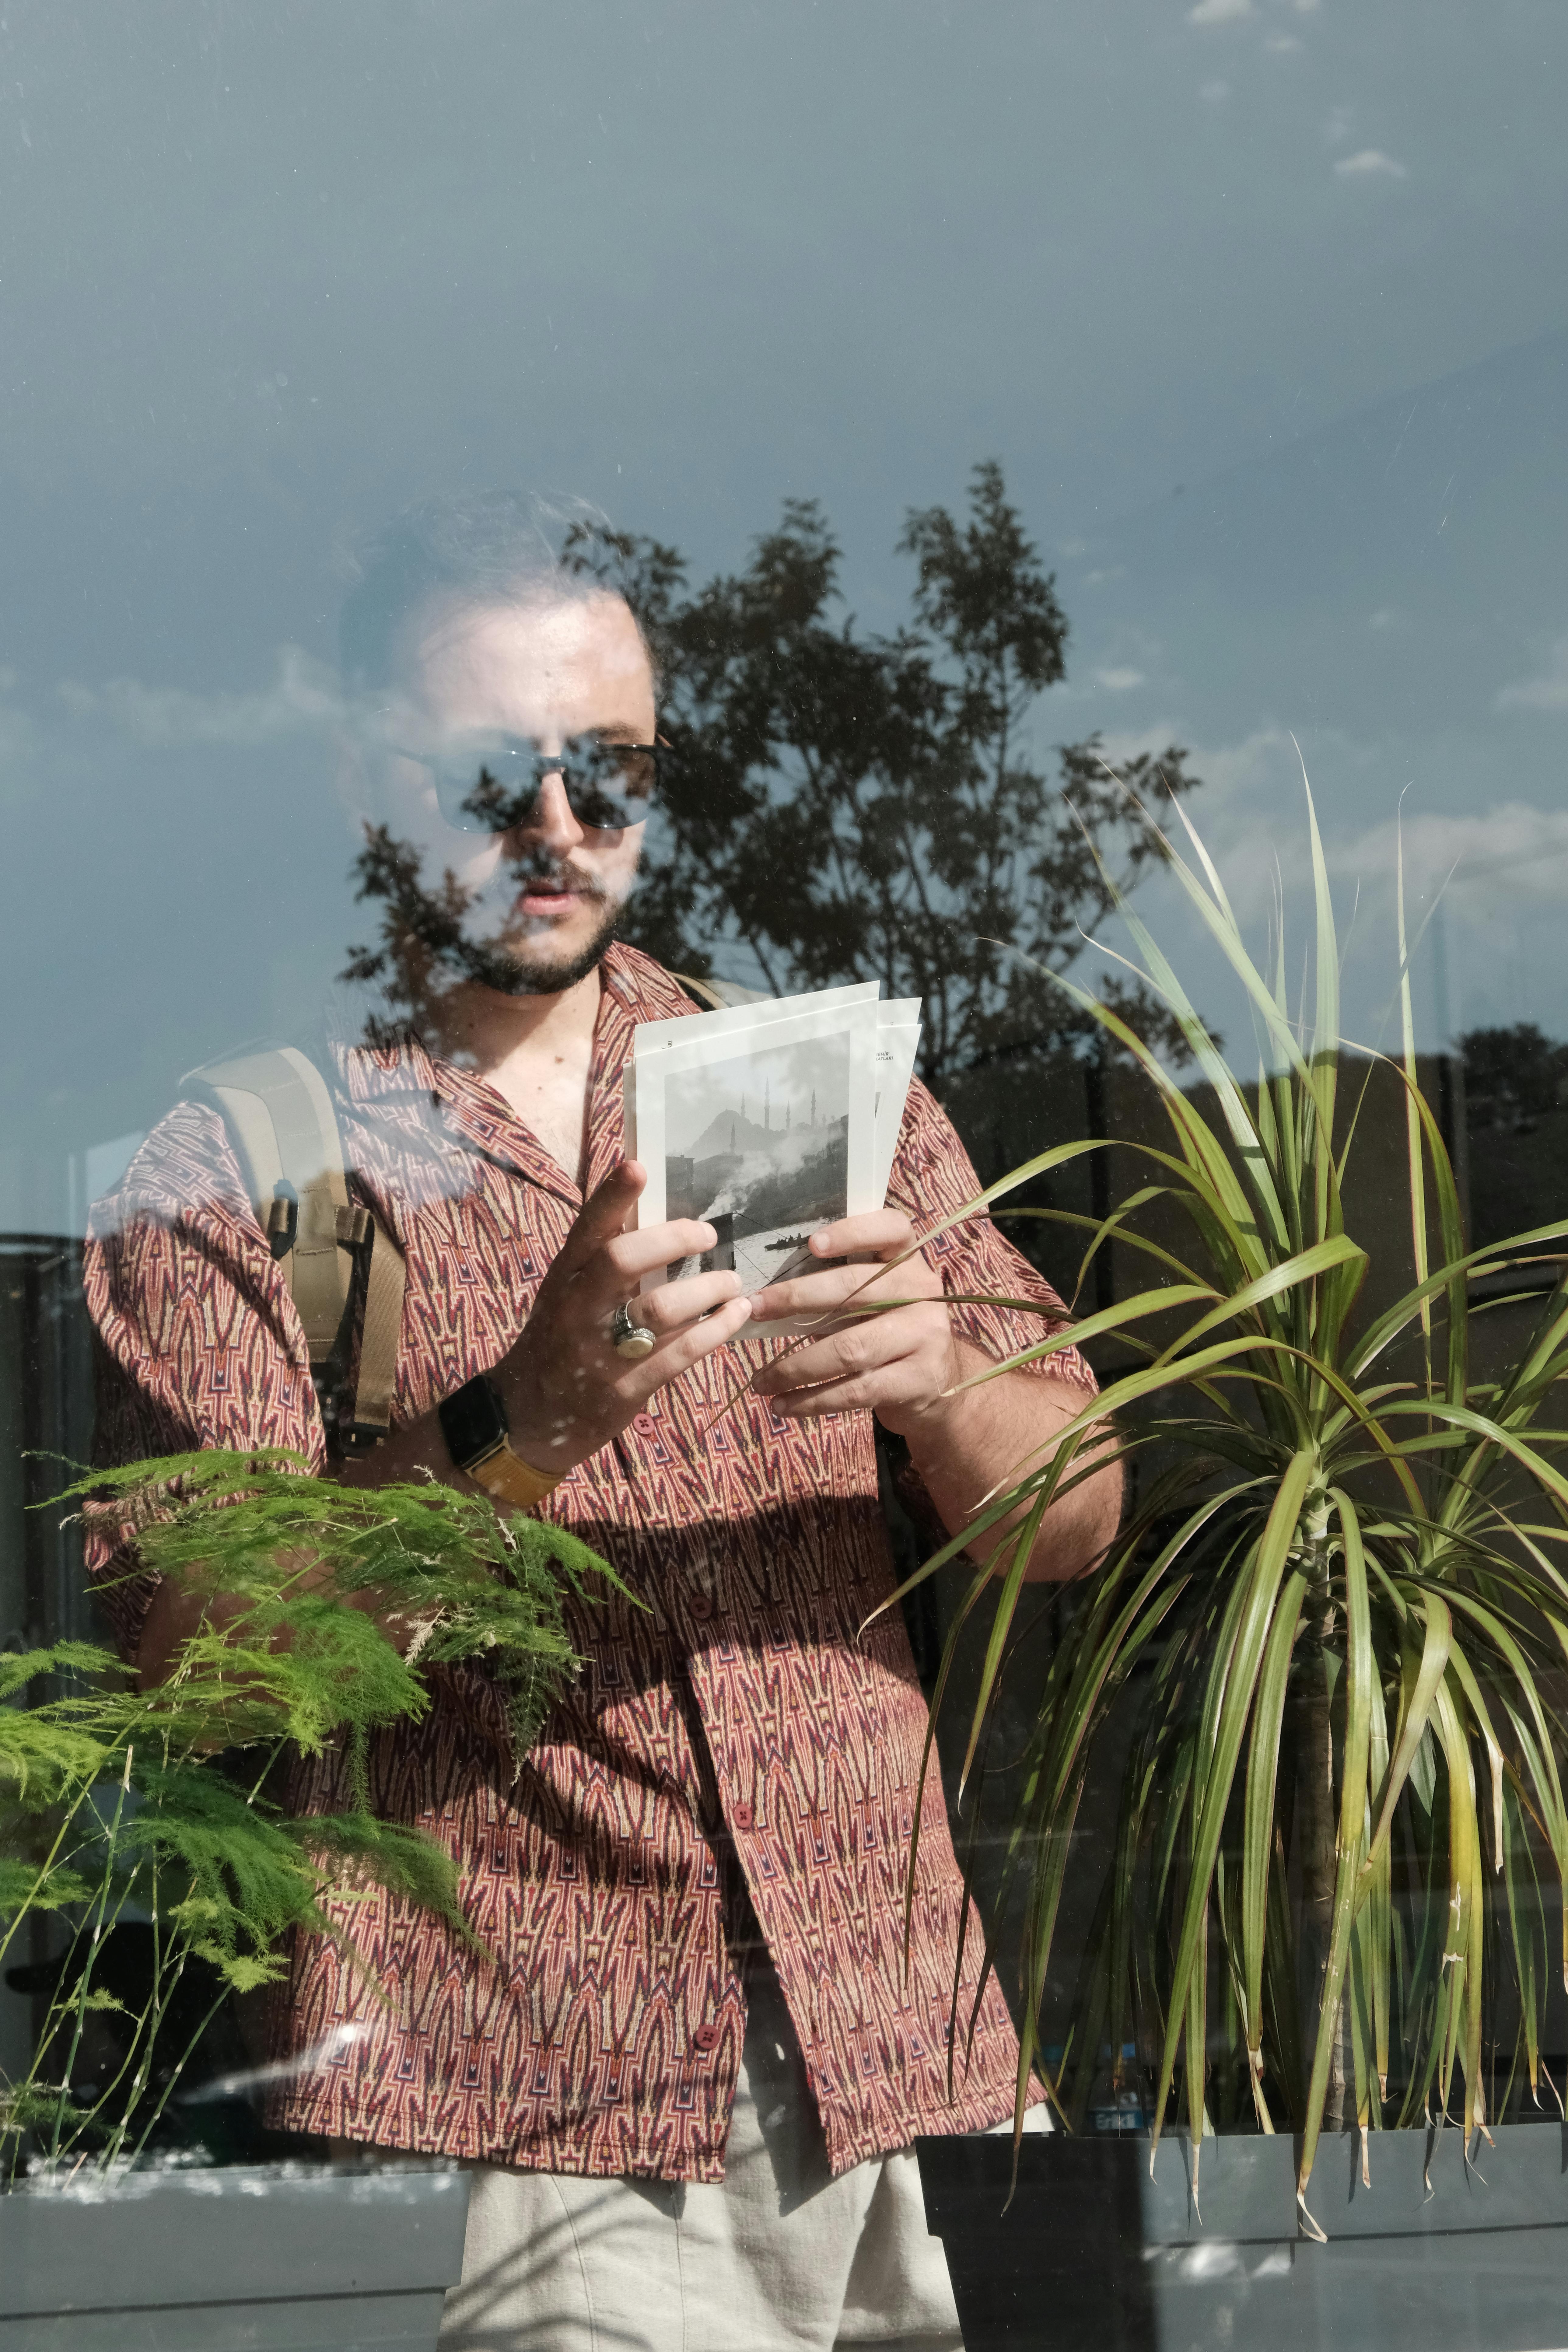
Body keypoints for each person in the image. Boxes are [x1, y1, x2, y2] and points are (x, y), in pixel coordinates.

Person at [85, 493, 1121, 2351]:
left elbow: (1079, 1511)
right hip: (528, 2124)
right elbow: (196, 1670)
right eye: (496, 769)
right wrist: (522, 1418)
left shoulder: (812, 1084)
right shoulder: (250, 1167)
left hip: (921, 2069)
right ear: (365, 786)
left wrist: (945, 1389)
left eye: (610, 772)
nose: (555, 829)